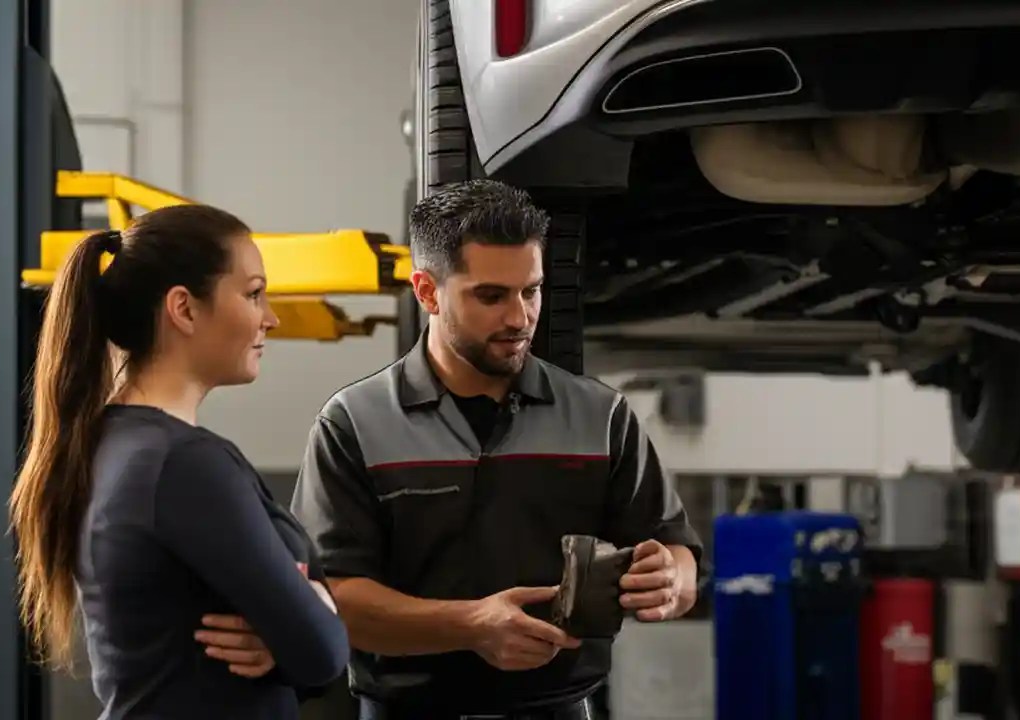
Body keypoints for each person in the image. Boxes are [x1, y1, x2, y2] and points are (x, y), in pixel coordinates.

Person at [198, 179, 705, 719]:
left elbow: (679, 557)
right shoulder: (354, 422)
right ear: (427, 292)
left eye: (530, 291)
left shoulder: (601, 416)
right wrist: (472, 626)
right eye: (491, 296)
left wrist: (671, 580)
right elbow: (329, 596)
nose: (519, 318)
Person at [7, 205, 350, 720]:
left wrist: (291, 634)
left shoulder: (112, 441)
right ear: (184, 309)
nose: (270, 317)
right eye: (253, 294)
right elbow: (323, 653)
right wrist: (313, 609)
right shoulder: (183, 464)